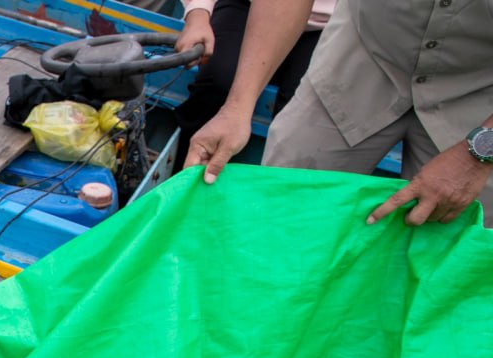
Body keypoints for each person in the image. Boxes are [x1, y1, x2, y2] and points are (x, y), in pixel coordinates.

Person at [185, 0, 493, 227]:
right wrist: (238, 108)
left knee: (459, 248)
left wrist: (478, 154)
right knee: (282, 208)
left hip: (480, 90)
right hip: (367, 49)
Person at [172, 0, 334, 169]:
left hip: (325, 27)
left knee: (301, 117)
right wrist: (198, 14)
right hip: (244, 8)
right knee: (217, 83)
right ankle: (182, 173)